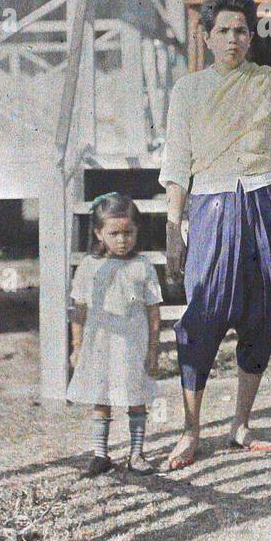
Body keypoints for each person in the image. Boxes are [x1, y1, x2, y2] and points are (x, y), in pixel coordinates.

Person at [160, 0, 271, 471]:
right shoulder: (188, 91)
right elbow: (177, 161)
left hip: (265, 203)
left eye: (241, 30)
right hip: (210, 206)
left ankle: (240, 424)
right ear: (205, 37)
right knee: (204, 312)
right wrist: (171, 227)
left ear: (252, 35)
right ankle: (190, 429)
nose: (232, 39)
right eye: (222, 30)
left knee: (263, 311)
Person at [67, 192, 161, 477]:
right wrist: (77, 346)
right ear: (98, 233)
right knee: (102, 395)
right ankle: (100, 454)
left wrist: (153, 350)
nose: (122, 240)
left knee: (136, 396)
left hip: (133, 345)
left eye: (128, 232)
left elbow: (153, 311)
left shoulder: (142, 266)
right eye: (114, 233)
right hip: (100, 344)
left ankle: (136, 453)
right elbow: (78, 309)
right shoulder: (88, 267)